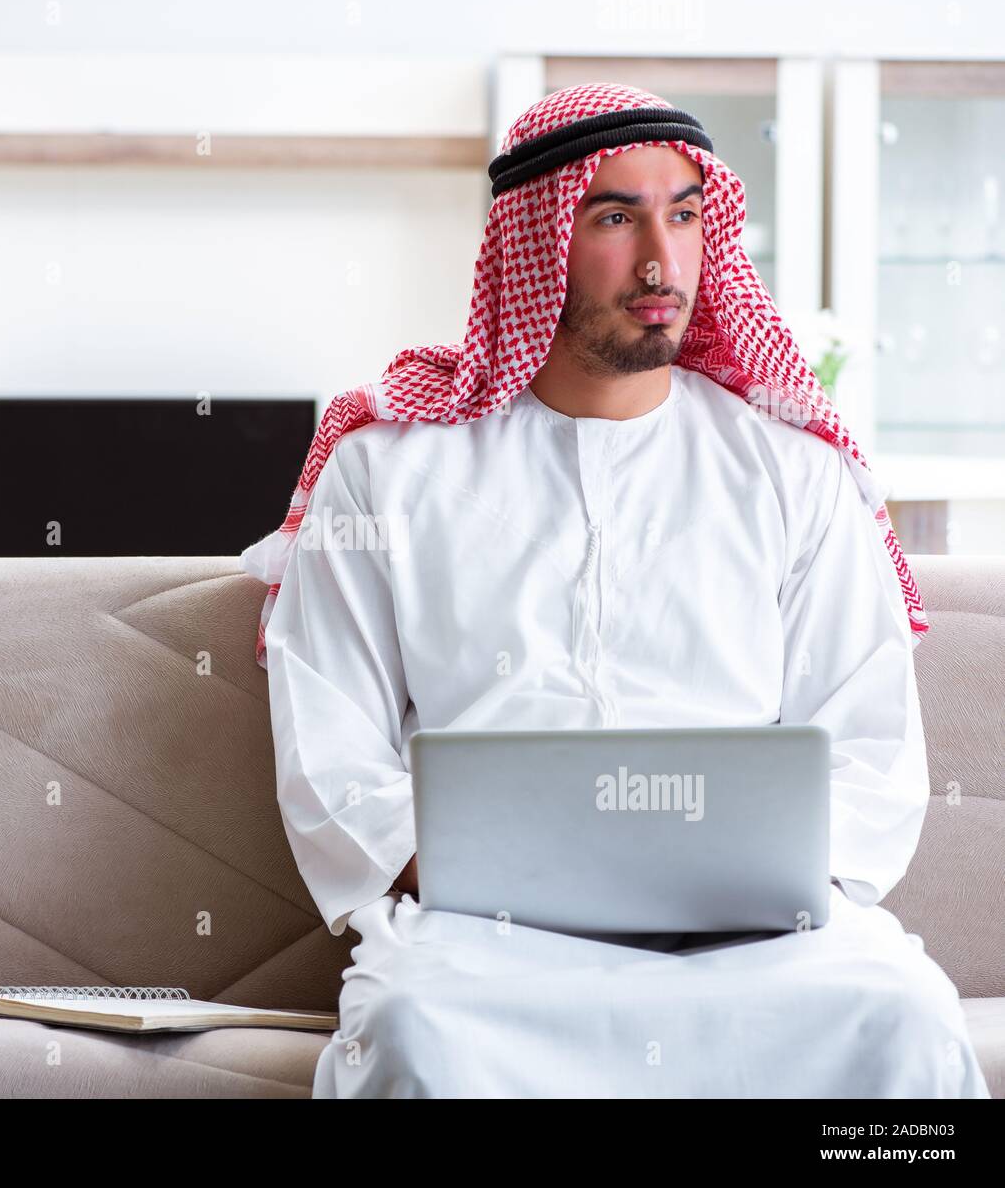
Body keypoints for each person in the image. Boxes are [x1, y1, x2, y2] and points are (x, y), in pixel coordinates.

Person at [238, 82, 991, 1098]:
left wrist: (739, 873)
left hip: (760, 941)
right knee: (411, 1033)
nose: (660, 259)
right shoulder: (385, 475)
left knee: (901, 1017)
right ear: (535, 240)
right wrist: (487, 870)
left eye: (684, 214)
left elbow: (869, 752)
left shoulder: (791, 473)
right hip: (488, 947)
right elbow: (334, 755)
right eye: (614, 216)